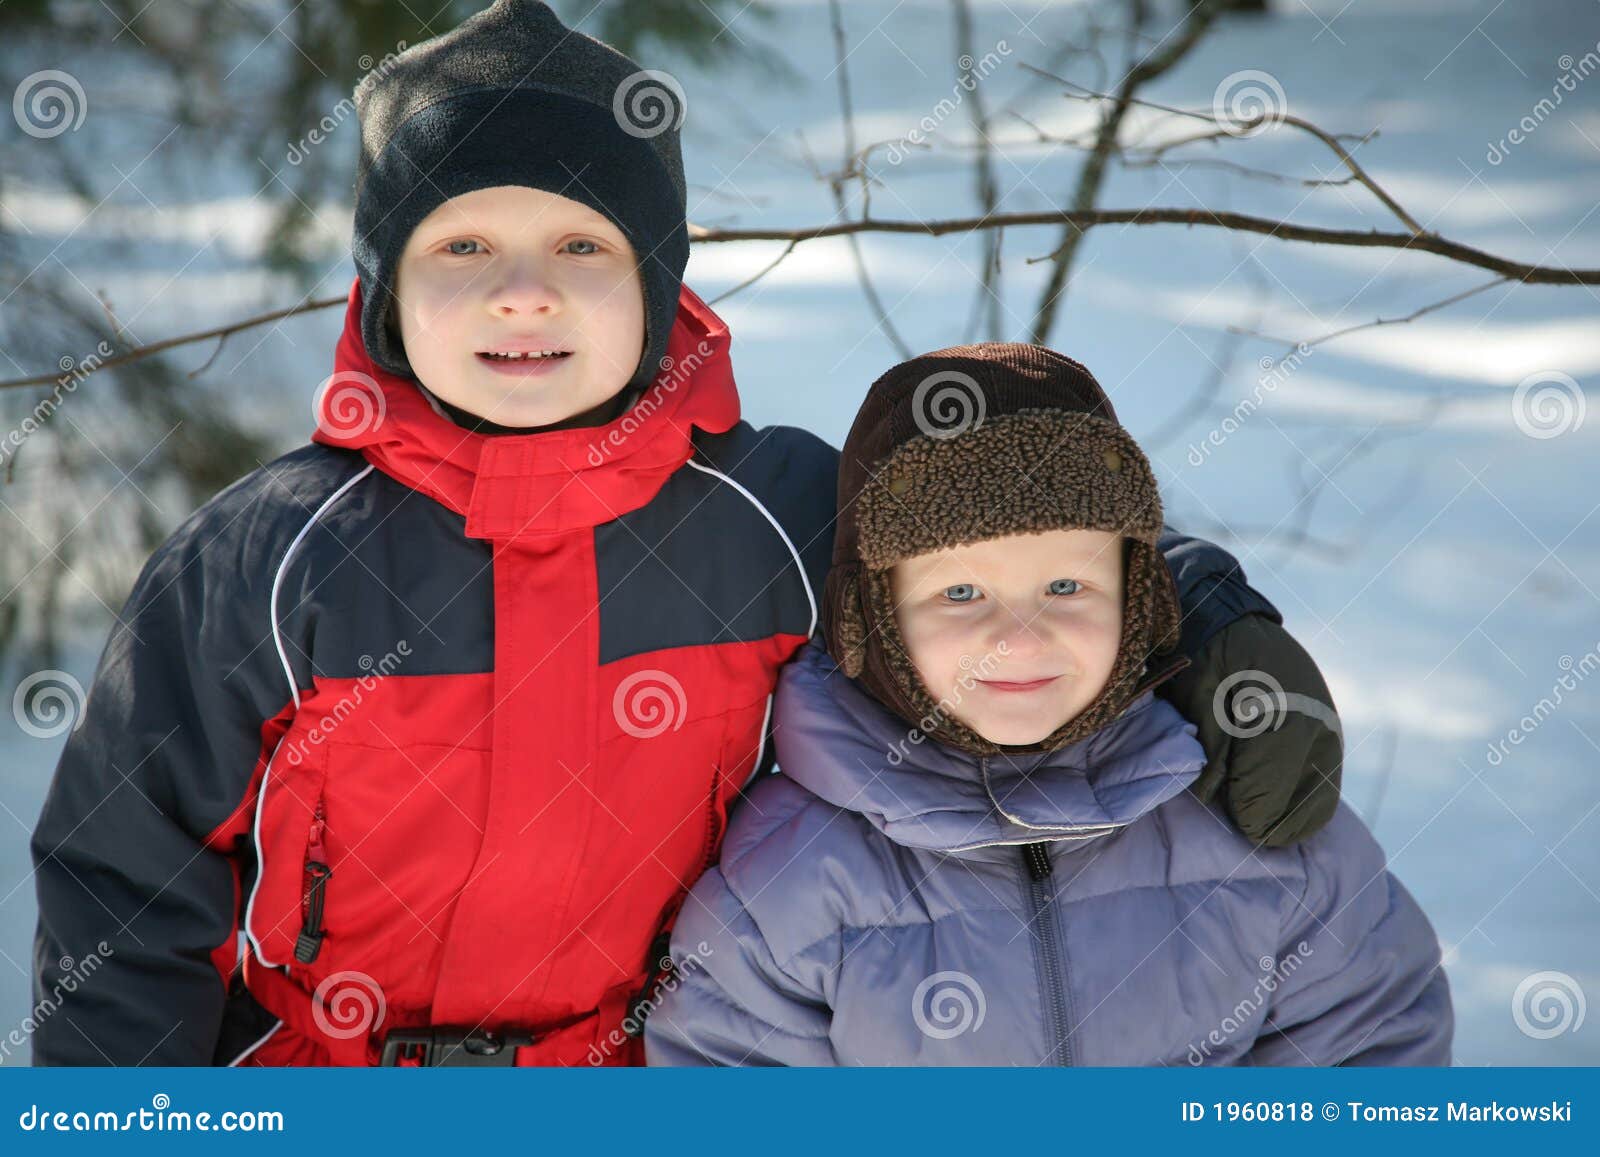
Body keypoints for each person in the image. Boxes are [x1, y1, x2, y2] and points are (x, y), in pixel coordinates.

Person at [30, 2, 1343, 1067]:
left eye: (581, 245)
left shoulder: (768, 513)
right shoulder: (266, 559)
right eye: (463, 243)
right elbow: (123, 876)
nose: (523, 289)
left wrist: (1217, 634)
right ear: (385, 290)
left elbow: (1013, 560)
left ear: (660, 284)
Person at [645, 343, 1452, 1066]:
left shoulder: (1246, 820)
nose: (1020, 638)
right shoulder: (792, 878)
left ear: (1137, 594)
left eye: (1066, 585)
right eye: (961, 593)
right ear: (876, 620)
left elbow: (1375, 1037)